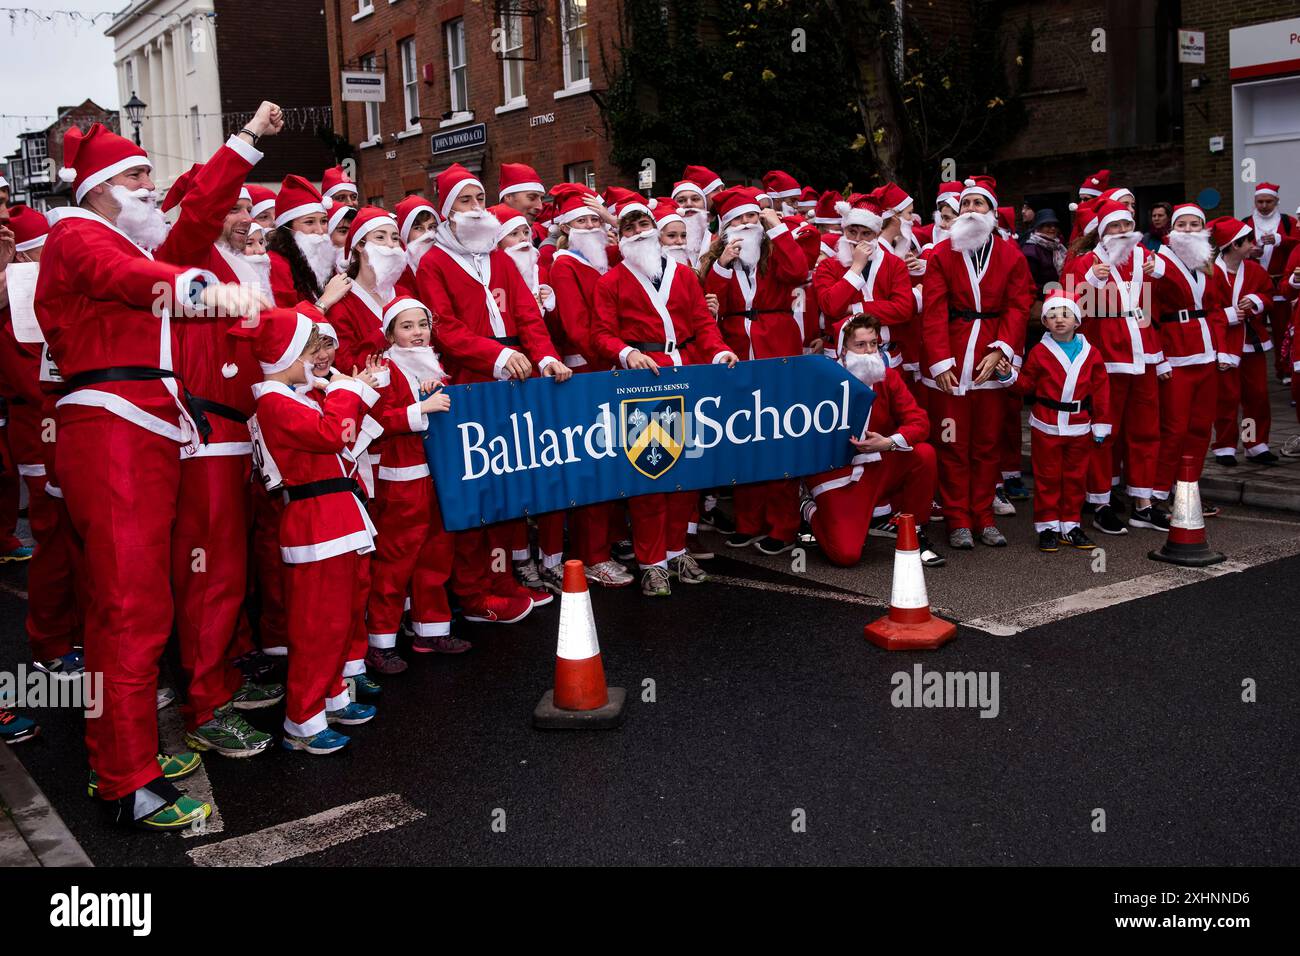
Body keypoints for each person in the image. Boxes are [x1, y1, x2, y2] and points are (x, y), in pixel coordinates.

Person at [35, 121, 264, 829]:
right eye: (137, 178)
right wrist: (189, 284)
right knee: (129, 609)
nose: (150, 188)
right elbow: (127, 277)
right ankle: (123, 775)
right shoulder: (79, 235)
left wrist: (246, 142)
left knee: (135, 606)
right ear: (100, 188)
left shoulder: (120, 235)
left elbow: (192, 220)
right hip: (112, 425)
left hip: (140, 421)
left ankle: (123, 752)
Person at [151, 102, 289, 757]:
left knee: (227, 570)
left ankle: (226, 674)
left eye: (246, 208)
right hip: (204, 433)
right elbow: (202, 207)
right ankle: (205, 703)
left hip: (235, 433)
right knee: (212, 572)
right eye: (231, 207)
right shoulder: (184, 250)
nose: (242, 217)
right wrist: (250, 137)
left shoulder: (237, 266)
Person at [415, 163, 572, 622]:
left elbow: (526, 313)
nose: (476, 209)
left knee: (507, 481)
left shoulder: (499, 256)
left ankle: (501, 576)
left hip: (516, 376)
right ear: (446, 212)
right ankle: (471, 589)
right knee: (474, 488)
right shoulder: (433, 262)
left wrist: (544, 356)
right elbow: (442, 328)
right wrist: (496, 357)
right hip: (472, 379)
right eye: (465, 201)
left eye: (480, 199)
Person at [239, 306, 381, 754]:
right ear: (289, 353)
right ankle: (303, 718)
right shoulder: (274, 401)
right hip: (316, 519)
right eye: (309, 349)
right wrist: (346, 390)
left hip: (335, 513)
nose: (318, 358)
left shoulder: (295, 395)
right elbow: (331, 433)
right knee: (318, 626)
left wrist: (345, 390)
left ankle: (332, 696)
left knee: (340, 620)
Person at [592, 196, 739, 595]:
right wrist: (627, 352)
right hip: (644, 380)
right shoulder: (611, 282)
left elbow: (702, 324)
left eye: (644, 225)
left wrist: (719, 349)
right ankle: (651, 561)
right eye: (630, 227)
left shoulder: (684, 275)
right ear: (619, 237)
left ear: (655, 229)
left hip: (688, 372)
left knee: (687, 472)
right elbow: (601, 334)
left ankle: (676, 550)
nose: (639, 232)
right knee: (651, 471)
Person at [920, 175, 1033, 550]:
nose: (970, 211)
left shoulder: (1010, 255)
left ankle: (983, 515)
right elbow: (933, 311)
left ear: (992, 213)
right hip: (950, 365)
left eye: (977, 205)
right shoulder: (940, 254)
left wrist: (1002, 349)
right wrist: (939, 363)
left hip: (990, 362)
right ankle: (957, 519)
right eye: (965, 205)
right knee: (952, 442)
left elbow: (1018, 305)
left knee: (986, 445)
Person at [701, 185, 808, 555]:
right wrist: (722, 265)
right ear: (726, 227)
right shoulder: (719, 259)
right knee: (743, 440)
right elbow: (711, 305)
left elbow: (799, 271)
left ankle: (783, 524)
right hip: (737, 354)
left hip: (778, 351)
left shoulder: (774, 250)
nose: (747, 224)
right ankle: (748, 521)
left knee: (780, 439)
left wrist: (775, 226)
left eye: (751, 216)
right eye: (739, 219)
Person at [365, 297, 464, 672]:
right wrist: (418, 409)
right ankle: (381, 642)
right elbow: (373, 421)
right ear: (390, 333)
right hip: (402, 478)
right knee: (395, 561)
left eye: (422, 324)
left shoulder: (433, 363)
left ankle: (431, 629)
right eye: (406, 327)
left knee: (437, 553)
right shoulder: (383, 369)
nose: (418, 333)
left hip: (436, 474)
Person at [800, 314, 942, 568]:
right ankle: (808, 508)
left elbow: (920, 421)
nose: (868, 352)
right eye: (860, 345)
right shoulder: (824, 380)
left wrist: (888, 442)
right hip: (837, 471)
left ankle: (913, 528)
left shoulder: (887, 376)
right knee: (845, 555)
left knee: (924, 454)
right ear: (843, 349)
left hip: (879, 461)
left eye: (873, 344)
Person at [1062, 199, 1167, 534]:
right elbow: (1066, 309)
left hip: (1144, 352)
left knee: (1146, 430)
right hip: (1108, 354)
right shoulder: (1086, 262)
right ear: (1102, 231)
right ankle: (1101, 502)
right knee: (1104, 432)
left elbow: (1162, 303)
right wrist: (1089, 281)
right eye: (1114, 226)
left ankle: (1143, 504)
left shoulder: (1144, 258)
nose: (1122, 232)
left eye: (1126, 225)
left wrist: (1163, 274)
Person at [998, 291, 1109, 552]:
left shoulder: (1091, 353)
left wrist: (1102, 423)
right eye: (1053, 315)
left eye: (1066, 314)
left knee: (1075, 478)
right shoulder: (1039, 352)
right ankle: (1047, 527)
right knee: (1047, 478)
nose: (1060, 320)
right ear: (1045, 322)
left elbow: (1102, 392)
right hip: (1046, 425)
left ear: (1077, 320)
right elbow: (1025, 385)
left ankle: (1070, 525)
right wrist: (1008, 377)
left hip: (1079, 425)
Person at [1148, 203, 1229, 508]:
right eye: (1182, 224)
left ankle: (1187, 491)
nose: (1189, 230)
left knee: (1199, 428)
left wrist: (1223, 350)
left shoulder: (1207, 263)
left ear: (1204, 229)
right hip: (1174, 356)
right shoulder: (1157, 263)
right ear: (1172, 229)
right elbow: (1146, 315)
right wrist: (1158, 357)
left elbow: (1217, 310)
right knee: (1173, 428)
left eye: (1195, 225)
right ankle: (1157, 492)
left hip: (1205, 355)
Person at [1207, 217, 1277, 465]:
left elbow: (1269, 295)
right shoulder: (1210, 273)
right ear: (1235, 245)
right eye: (1248, 240)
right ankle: (1225, 445)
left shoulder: (1256, 270)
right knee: (1227, 397)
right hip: (1224, 343)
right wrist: (1225, 314)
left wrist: (1257, 301)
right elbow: (1202, 308)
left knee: (1256, 395)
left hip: (1252, 342)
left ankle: (1254, 442)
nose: (1253, 244)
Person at [326, 207, 406, 372]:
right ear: (360, 246)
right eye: (380, 237)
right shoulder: (343, 303)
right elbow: (346, 365)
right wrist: (386, 333)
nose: (391, 244)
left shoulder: (404, 294)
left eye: (395, 237)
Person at [267, 175, 351, 311]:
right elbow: (285, 320)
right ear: (288, 228)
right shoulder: (276, 264)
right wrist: (324, 302)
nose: (319, 230)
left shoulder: (327, 261)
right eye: (309, 222)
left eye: (324, 221)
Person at [1243, 183, 1297, 384]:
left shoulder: (1288, 222)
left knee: (1282, 328)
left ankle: (1284, 370)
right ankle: (1251, 368)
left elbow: (1298, 244)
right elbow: (1233, 248)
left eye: (1268, 201)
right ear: (1255, 202)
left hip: (1280, 284)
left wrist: (1280, 240)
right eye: (1260, 202)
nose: (1264, 206)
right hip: (1255, 286)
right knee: (1253, 326)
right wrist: (1249, 253)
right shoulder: (1246, 223)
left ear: (1277, 201)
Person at [1020, 208, 1065, 293]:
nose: (1053, 228)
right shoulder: (1031, 251)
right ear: (1039, 227)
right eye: (1048, 225)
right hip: (1041, 299)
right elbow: (1030, 283)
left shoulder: (1057, 246)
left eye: (1055, 225)